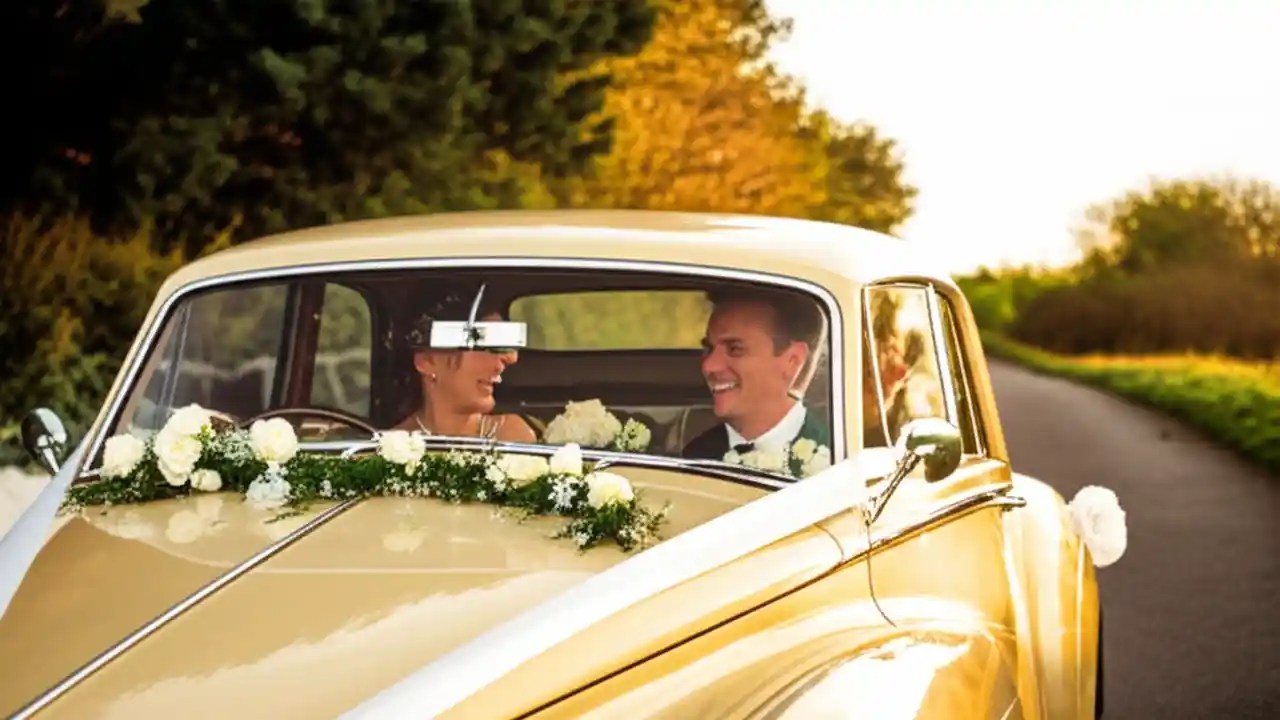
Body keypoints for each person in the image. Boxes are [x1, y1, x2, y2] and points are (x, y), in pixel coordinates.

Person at [682, 290, 831, 461]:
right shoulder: (696, 457)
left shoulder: (834, 460)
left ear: (792, 360)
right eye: (709, 349)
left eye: (735, 349)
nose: (709, 366)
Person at [392, 290, 537, 443]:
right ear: (427, 361)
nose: (509, 359)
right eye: (484, 345)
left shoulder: (511, 435)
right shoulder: (391, 449)